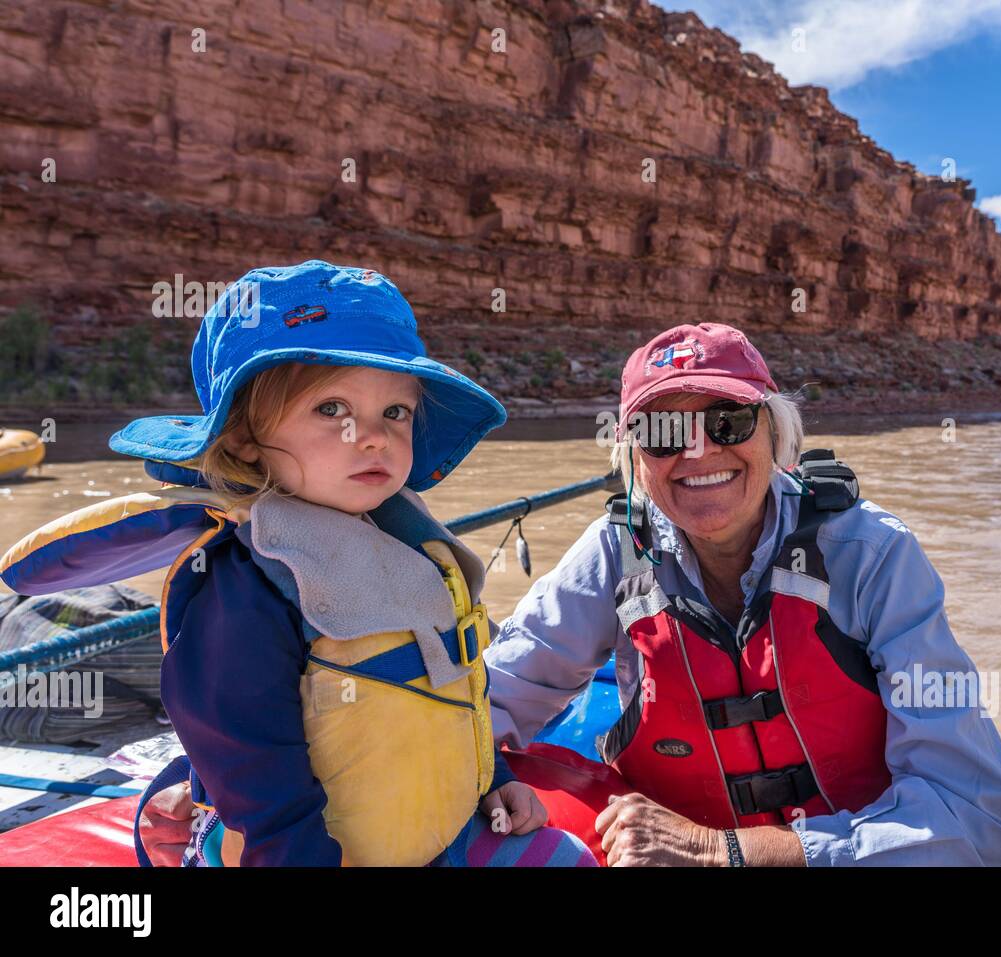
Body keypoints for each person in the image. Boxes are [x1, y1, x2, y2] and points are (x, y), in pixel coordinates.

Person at [139, 321, 1001, 866]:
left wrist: (733, 854)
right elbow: (491, 690)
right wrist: (227, 769)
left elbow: (972, 820)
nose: (698, 452)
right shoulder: (618, 548)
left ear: (776, 435)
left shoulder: (873, 555)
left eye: (728, 420)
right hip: (660, 840)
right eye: (664, 430)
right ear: (635, 457)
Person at [40, 260, 595, 866]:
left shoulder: (407, 545)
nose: (374, 436)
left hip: (438, 827)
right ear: (245, 438)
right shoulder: (247, 583)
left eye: (396, 412)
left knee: (566, 857)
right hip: (306, 851)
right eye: (332, 410)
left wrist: (493, 781)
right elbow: (252, 765)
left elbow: (451, 693)